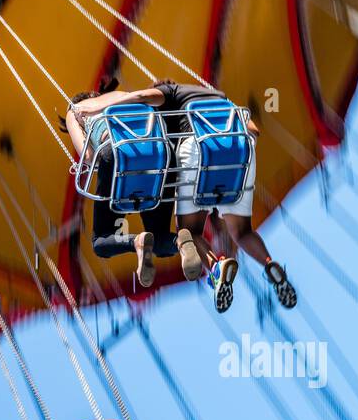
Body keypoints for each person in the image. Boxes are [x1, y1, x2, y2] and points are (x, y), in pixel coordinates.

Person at [151, 79, 297, 314]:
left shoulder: (170, 97)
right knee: (242, 232)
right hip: (239, 154)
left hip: (197, 155)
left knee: (189, 232)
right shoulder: (220, 98)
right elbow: (253, 130)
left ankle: (216, 267)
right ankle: (269, 263)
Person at [62, 79, 204, 288]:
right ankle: (181, 242)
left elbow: (90, 155)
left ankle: (135, 241)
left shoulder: (75, 110)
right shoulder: (122, 94)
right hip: (160, 155)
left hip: (117, 153)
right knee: (161, 237)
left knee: (101, 242)